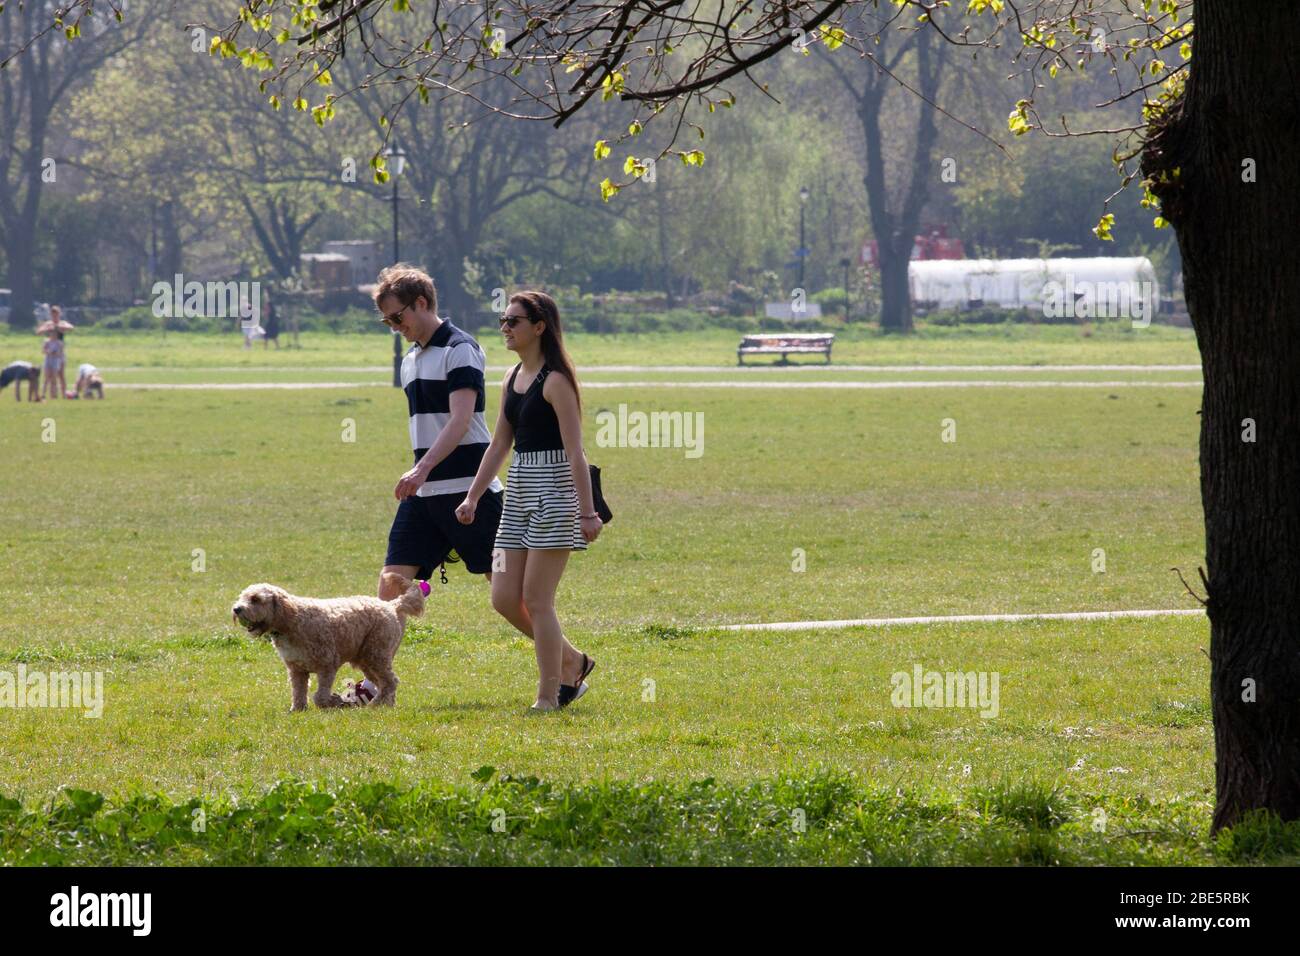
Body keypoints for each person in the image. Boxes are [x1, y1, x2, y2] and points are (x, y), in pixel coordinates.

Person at [457, 291, 601, 713]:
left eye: (513, 321)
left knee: (538, 601)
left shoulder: (556, 382)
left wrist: (587, 512)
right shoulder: (510, 378)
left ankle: (548, 695)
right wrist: (473, 495)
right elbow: (499, 443)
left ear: (539, 327)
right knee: (503, 597)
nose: (505, 327)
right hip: (518, 493)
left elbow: (576, 452)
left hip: (555, 496)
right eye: (503, 319)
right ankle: (573, 661)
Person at [373, 265, 507, 605]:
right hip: (424, 496)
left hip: (470, 490)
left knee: (508, 597)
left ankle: (568, 659)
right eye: (387, 322)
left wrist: (421, 469)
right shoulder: (411, 359)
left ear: (421, 303)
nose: (395, 327)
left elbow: (460, 420)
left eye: (397, 317)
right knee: (390, 589)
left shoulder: (460, 349)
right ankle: (377, 660)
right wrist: (423, 475)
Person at [42, 321, 65, 400]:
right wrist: (49, 352)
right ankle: (43, 394)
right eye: (52, 333)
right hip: (48, 361)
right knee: (47, 378)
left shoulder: (59, 343)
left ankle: (54, 395)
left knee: (54, 378)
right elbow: (43, 351)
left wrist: (54, 354)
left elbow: (60, 354)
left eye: (55, 333)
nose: (53, 335)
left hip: (55, 361)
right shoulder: (46, 341)